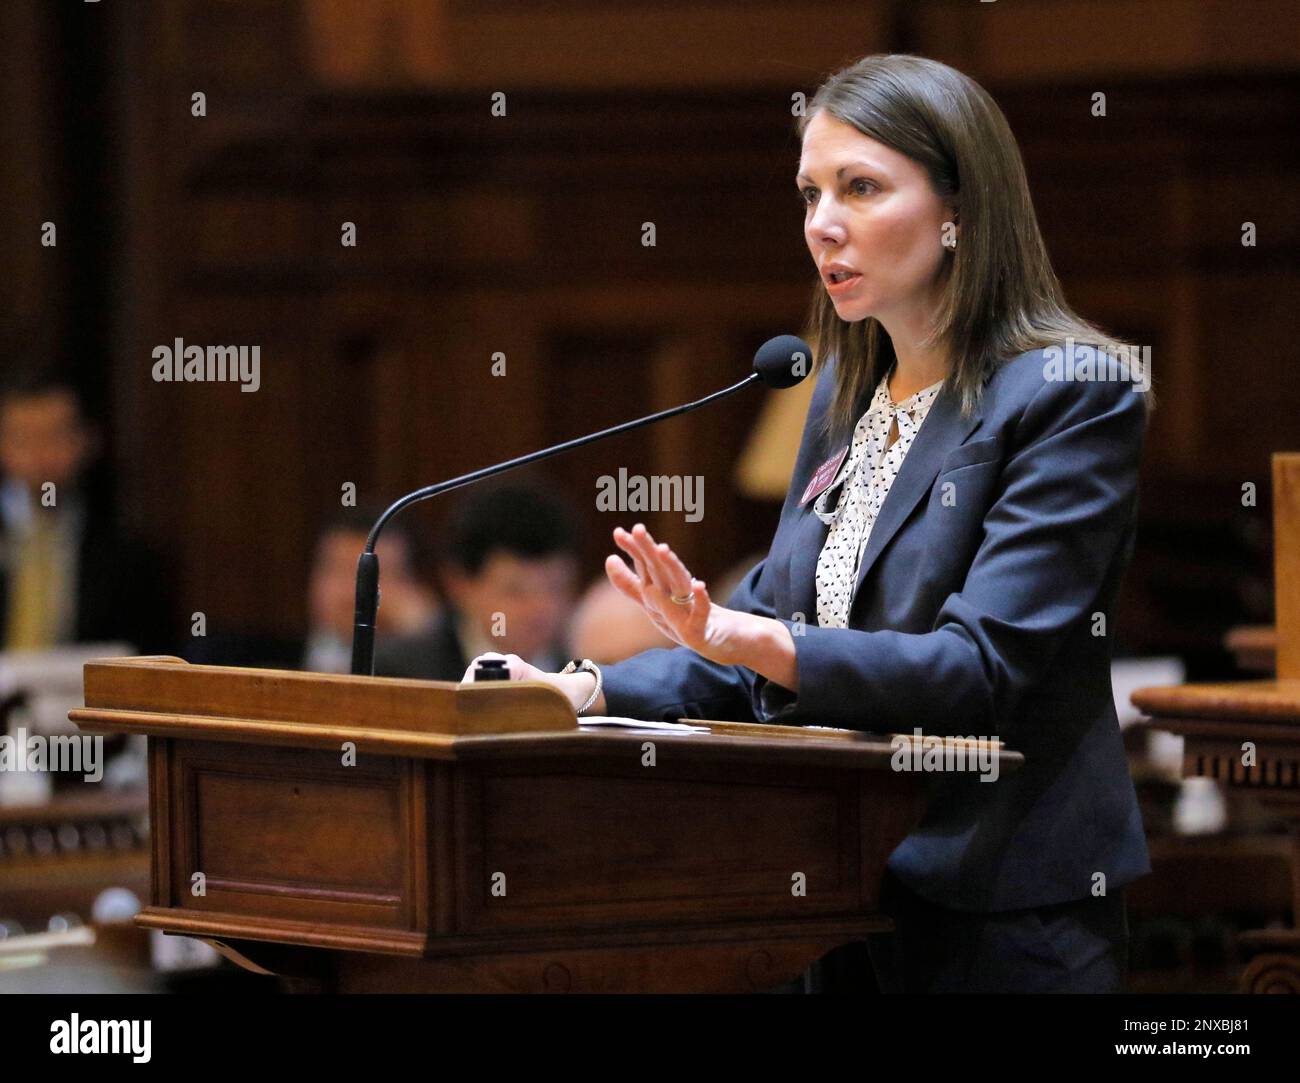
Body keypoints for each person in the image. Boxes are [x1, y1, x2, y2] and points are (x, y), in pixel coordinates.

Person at [462, 53, 1154, 993]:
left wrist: (761, 639)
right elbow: (748, 650)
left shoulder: (1072, 393)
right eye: (810, 191)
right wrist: (573, 691)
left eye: (861, 187)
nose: (822, 224)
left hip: (1001, 913)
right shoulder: (838, 395)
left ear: (960, 208)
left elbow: (983, 669)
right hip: (833, 901)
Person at [0, 371, 173, 655]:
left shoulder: (128, 555)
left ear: (86, 440)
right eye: (23, 438)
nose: (40, 455)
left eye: (54, 436)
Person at [379, 481, 580, 680]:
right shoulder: (401, 671)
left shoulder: (585, 672)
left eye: (555, 587)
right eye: (515, 590)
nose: (540, 609)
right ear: (460, 584)